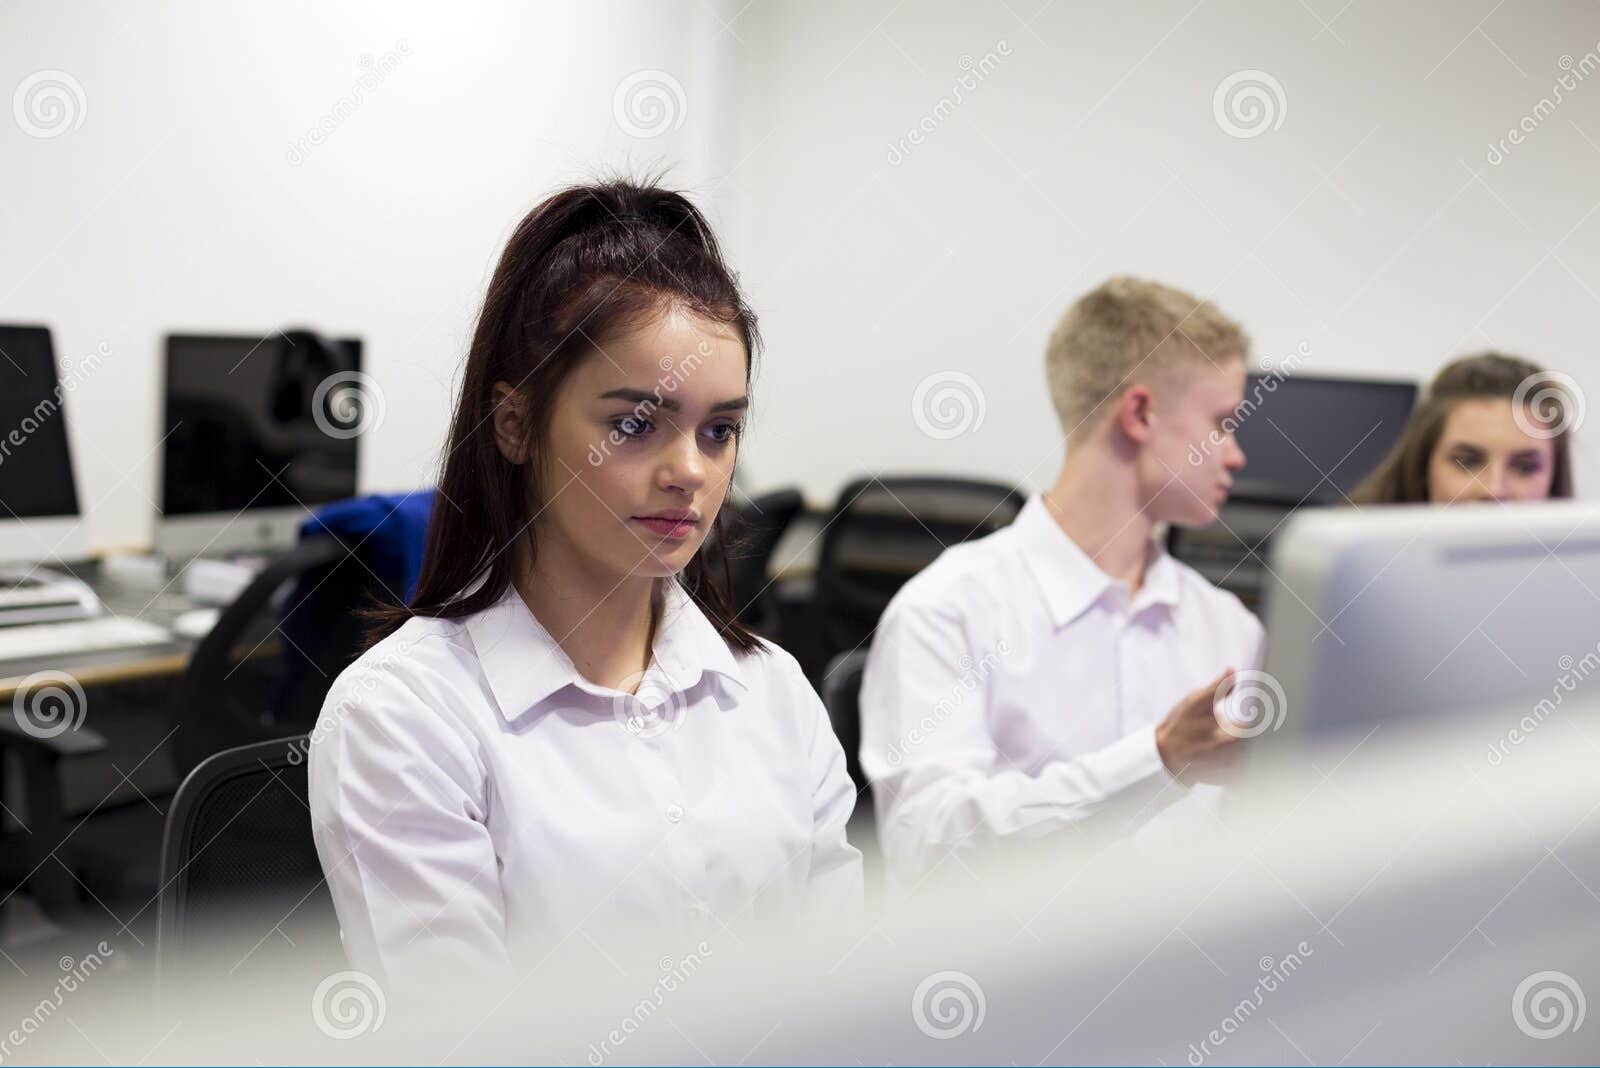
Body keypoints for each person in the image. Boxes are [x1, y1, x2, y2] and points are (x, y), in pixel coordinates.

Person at [307, 179, 862, 990]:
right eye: (635, 424)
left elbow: (842, 993)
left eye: (720, 430)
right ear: (516, 423)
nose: (691, 472)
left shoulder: (773, 692)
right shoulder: (403, 716)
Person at [859, 276, 1266, 884]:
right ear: (1141, 413)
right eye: (1222, 421)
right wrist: (1156, 761)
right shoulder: (949, 609)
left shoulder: (1228, 626)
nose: (1236, 455)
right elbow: (929, 856)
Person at [1352, 353, 1575, 504]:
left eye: (1525, 468)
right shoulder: (1348, 566)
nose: (1494, 490)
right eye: (1467, 462)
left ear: (1554, 484)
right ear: (1421, 467)